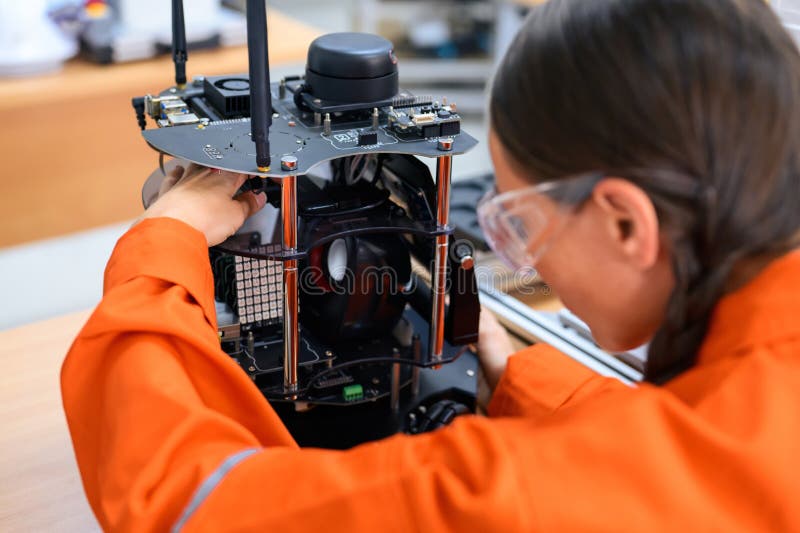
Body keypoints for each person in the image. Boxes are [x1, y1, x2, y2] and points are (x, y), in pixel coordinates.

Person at [62, 0, 800, 531]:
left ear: (626, 223)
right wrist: (516, 375)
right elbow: (675, 447)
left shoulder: (529, 493)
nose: (522, 253)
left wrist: (159, 244)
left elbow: (187, 502)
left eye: (519, 221)